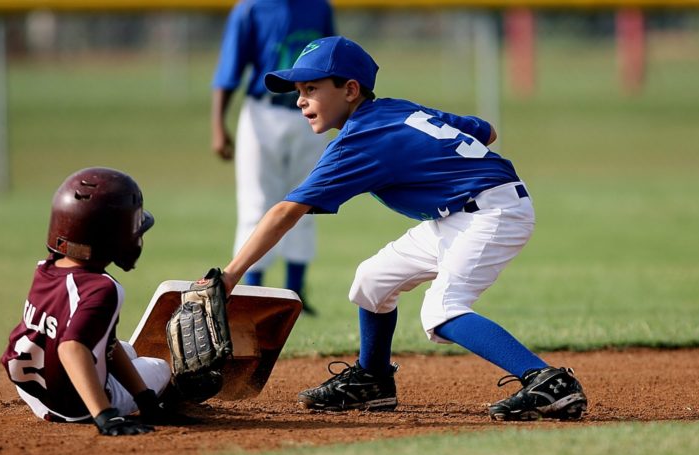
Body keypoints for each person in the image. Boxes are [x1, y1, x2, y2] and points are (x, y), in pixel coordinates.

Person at [218, 36, 588, 421]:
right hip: (459, 214)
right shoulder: (395, 111)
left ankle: (547, 381)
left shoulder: (359, 140)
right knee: (372, 281)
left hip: (491, 213)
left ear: (350, 90)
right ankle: (372, 380)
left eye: (311, 88)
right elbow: (487, 131)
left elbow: (284, 212)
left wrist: (231, 274)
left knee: (442, 310)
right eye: (298, 91)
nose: (300, 100)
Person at [1, 167, 179, 435]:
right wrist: (106, 415)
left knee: (127, 349)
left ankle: (121, 395)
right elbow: (71, 348)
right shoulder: (103, 289)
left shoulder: (47, 267)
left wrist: (145, 399)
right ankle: (105, 405)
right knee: (160, 367)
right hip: (76, 407)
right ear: (112, 238)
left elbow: (100, 342)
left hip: (33, 392)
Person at [211, 0, 335, 315]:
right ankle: (251, 292)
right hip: (261, 111)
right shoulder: (251, 8)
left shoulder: (318, 6)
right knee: (256, 202)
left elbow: (333, 64)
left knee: (308, 201)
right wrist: (218, 125)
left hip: (311, 112)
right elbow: (230, 68)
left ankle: (295, 293)